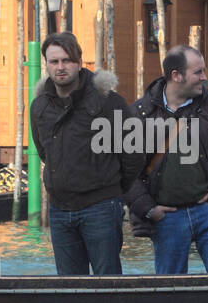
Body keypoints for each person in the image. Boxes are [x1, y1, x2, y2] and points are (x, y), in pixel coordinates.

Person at [126, 45, 208, 274]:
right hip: (166, 217)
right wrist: (149, 209)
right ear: (176, 75)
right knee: (169, 292)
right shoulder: (138, 114)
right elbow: (124, 170)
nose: (204, 77)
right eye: (198, 72)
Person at [30, 31, 143, 275]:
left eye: (66, 60)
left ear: (79, 62)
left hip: (101, 207)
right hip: (59, 210)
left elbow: (133, 153)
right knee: (68, 286)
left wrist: (111, 187)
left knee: (108, 281)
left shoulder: (108, 101)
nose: (61, 67)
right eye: (54, 61)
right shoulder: (39, 106)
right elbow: (44, 151)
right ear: (47, 64)